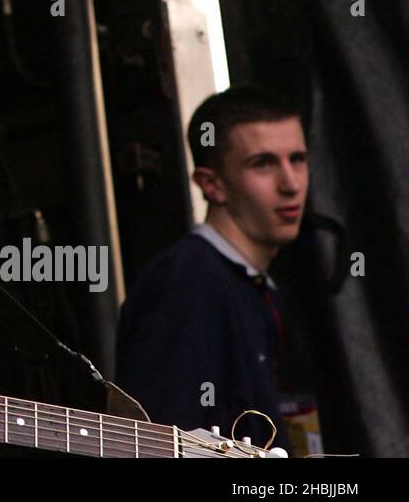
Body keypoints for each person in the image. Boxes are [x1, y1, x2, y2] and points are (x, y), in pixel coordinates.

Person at [115, 86, 306, 454]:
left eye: (297, 159)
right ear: (211, 184)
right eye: (263, 163)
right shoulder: (186, 283)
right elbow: (157, 444)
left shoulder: (249, 281)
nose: (291, 184)